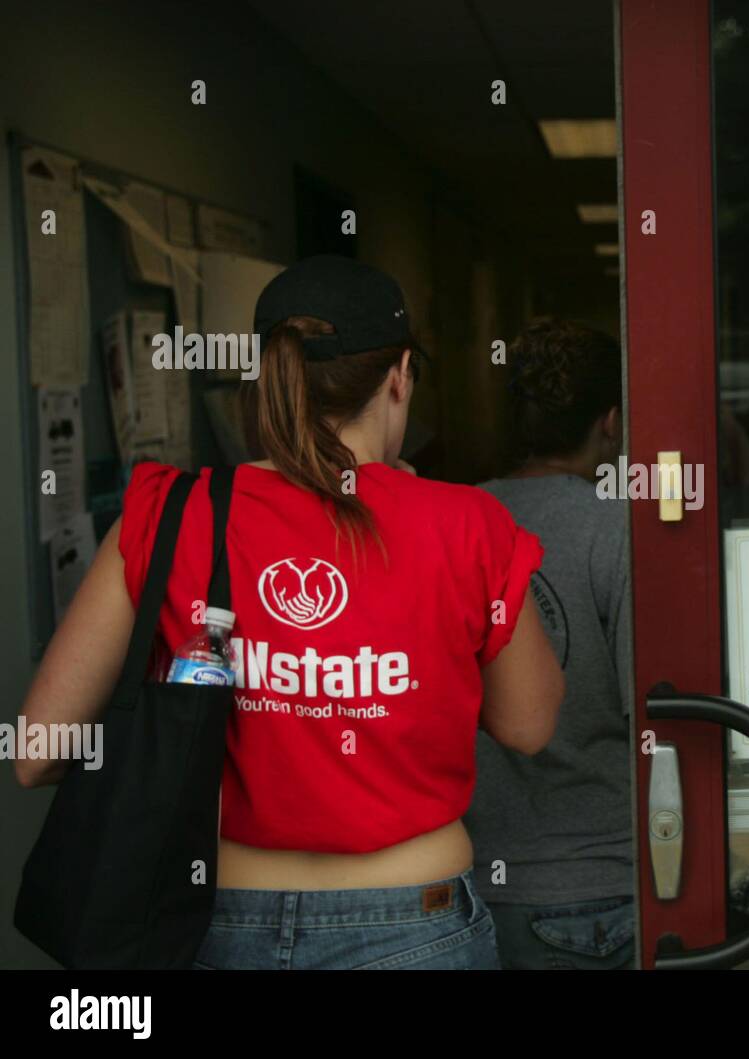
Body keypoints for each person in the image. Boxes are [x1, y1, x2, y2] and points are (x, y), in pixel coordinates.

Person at [15, 255, 565, 970]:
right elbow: (529, 722)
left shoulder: (173, 513)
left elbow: (37, 753)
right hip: (417, 923)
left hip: (218, 922)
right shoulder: (466, 524)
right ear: (400, 377)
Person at [464, 317, 635, 969]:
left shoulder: (458, 517)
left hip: (469, 883)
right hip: (596, 886)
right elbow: (649, 708)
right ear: (612, 421)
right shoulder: (617, 529)